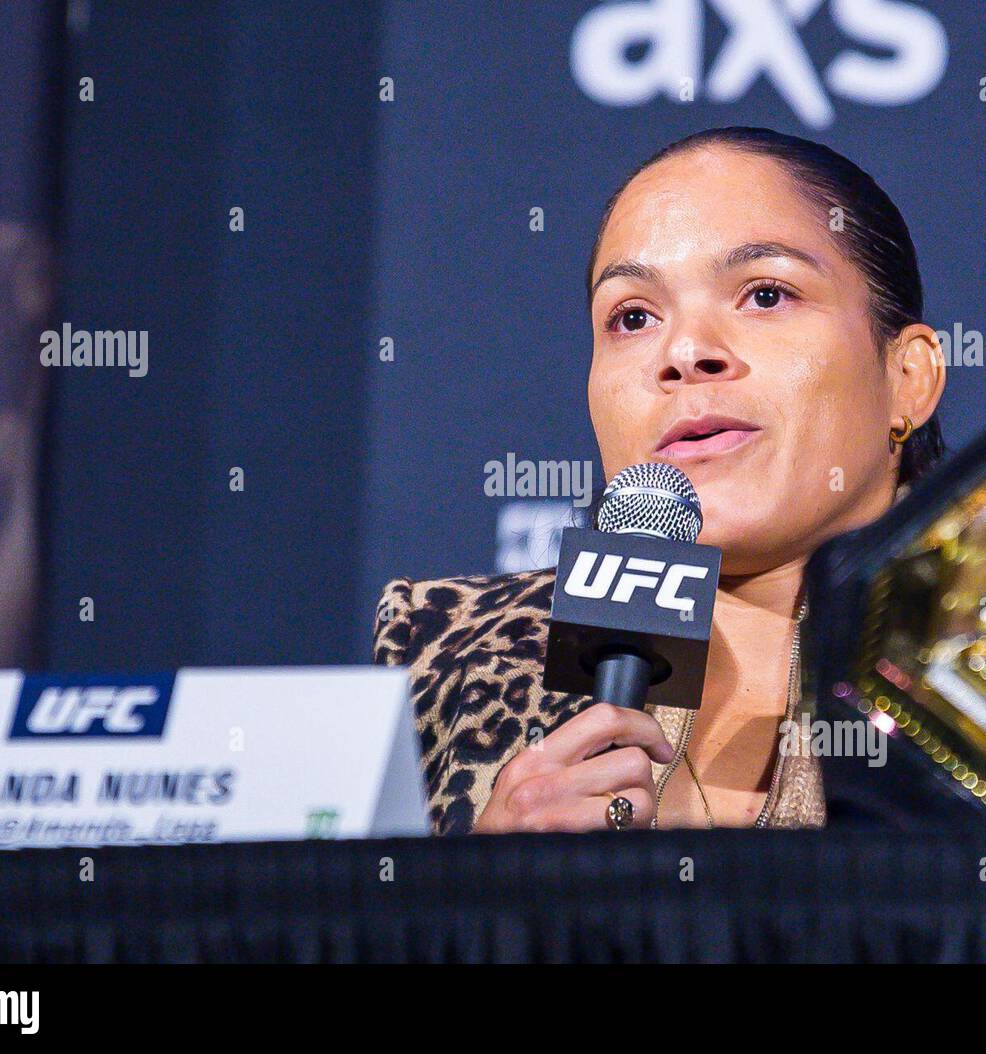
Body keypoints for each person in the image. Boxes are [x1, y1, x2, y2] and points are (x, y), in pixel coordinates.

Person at [374, 127, 945, 835]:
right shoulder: (451, 656)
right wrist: (483, 894)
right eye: (633, 317)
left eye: (765, 294)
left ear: (908, 378)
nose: (685, 353)